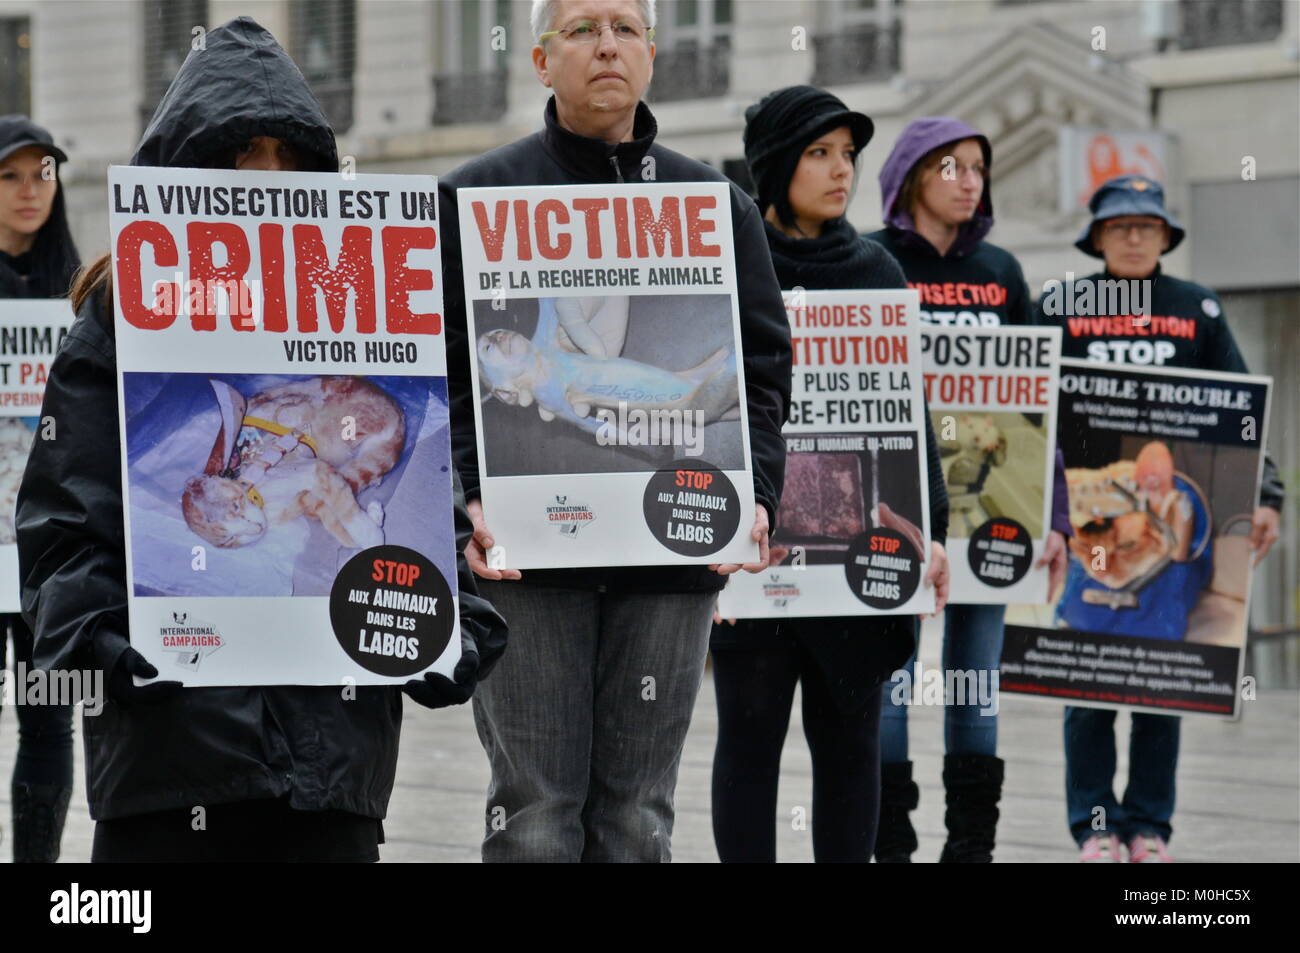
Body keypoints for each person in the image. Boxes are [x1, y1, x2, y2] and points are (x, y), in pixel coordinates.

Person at [15, 16, 506, 863]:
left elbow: (422, 515)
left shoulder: (367, 305)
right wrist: (105, 642)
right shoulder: (118, 315)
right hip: (169, 765)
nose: (267, 178)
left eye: (288, 158)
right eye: (241, 154)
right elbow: (62, 528)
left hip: (332, 770)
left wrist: (452, 618)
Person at [438, 0, 791, 862]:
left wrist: (760, 499)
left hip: (669, 554)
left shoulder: (717, 203)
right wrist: (463, 499)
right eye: (582, 28)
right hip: (523, 557)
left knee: (637, 818)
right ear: (538, 59)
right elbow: (439, 372)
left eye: (625, 28)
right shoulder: (472, 198)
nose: (606, 45)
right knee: (534, 815)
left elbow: (765, 369)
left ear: (652, 54)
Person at [709, 86, 950, 863]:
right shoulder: (729, 259)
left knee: (851, 747)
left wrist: (931, 532)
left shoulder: (876, 267)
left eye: (847, 154)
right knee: (748, 743)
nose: (841, 170)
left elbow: (907, 412)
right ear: (776, 167)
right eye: (819, 153)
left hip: (856, 566)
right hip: (756, 556)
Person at [1035, 173, 1284, 862]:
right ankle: (1092, 827)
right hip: (1088, 527)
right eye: (1121, 226)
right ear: (1098, 237)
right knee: (1086, 681)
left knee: (1158, 679)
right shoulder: (1058, 305)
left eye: (1148, 225)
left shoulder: (1197, 308)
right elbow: (1025, 406)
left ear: (1167, 235)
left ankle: (1148, 827)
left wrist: (1268, 495)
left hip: (1177, 530)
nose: (1136, 235)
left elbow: (1239, 411)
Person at [866, 117, 1071, 862]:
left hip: (991, 511)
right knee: (891, 682)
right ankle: (890, 842)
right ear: (912, 176)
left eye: (978, 167)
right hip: (896, 504)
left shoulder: (1002, 273)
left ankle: (971, 844)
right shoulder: (873, 260)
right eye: (949, 166)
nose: (967, 180)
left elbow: (1036, 405)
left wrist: (1056, 515)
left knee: (974, 683)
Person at [0, 114, 80, 861]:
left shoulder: (79, 288)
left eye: (42, 174)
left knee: (50, 715)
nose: (30, 190)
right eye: (10, 175)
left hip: (45, 543)